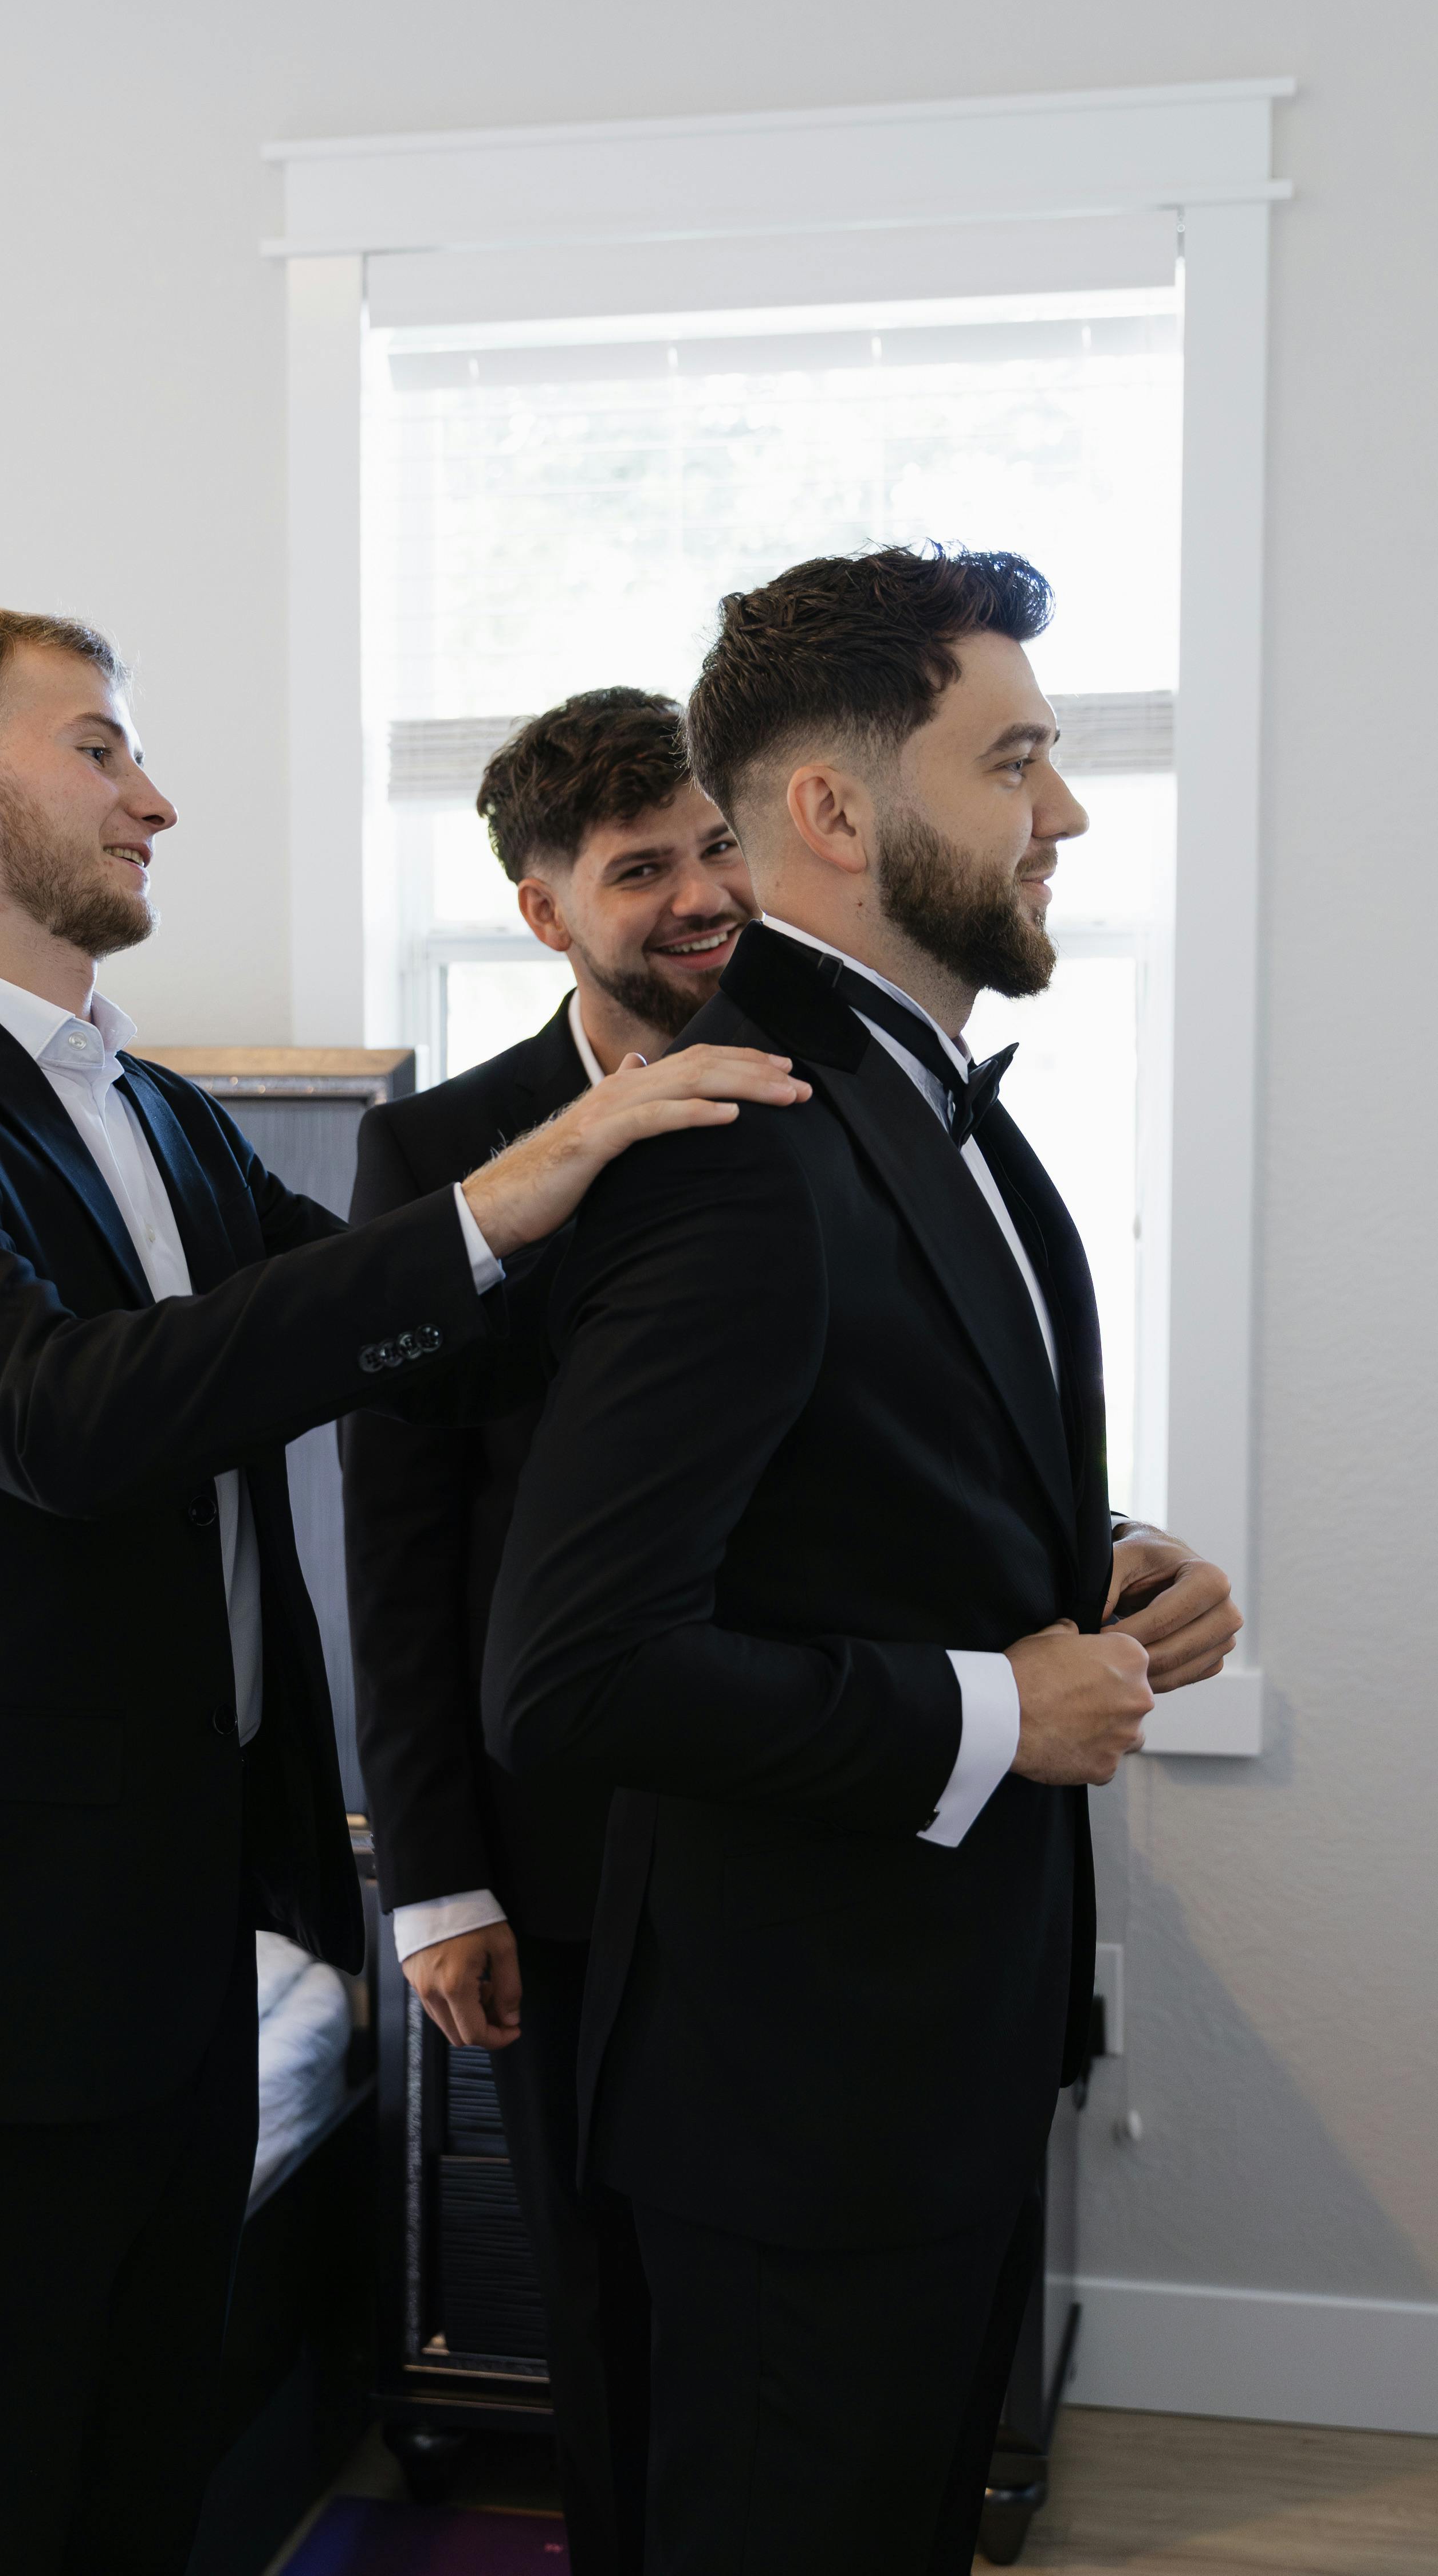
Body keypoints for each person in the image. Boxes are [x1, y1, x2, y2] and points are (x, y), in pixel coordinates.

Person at [0, 605, 810, 2576]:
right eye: (103, 750)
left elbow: (443, 1354)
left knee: (141, 2502)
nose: (154, 800)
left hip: (183, 1948)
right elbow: (62, 1417)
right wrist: (503, 1188)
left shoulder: (158, 1115)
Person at [481, 549, 1243, 2575]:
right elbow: (576, 1668)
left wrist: (1102, 1566)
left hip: (929, 2075)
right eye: (1015, 763)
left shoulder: (926, 1114)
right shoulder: (735, 1147)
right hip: (791, 2120)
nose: (1064, 815)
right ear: (831, 813)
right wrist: (1006, 1700)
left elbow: (854, 1487)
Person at [343, 688, 757, 2573]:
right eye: (642, 869)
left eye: (715, 845)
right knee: (598, 2304)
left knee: (789, 2314)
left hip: (804, 1800)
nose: (701, 895)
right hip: (554, 1843)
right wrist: (435, 1879)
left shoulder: (836, 1093)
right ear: (543, 912)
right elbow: (402, 1528)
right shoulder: (437, 1151)